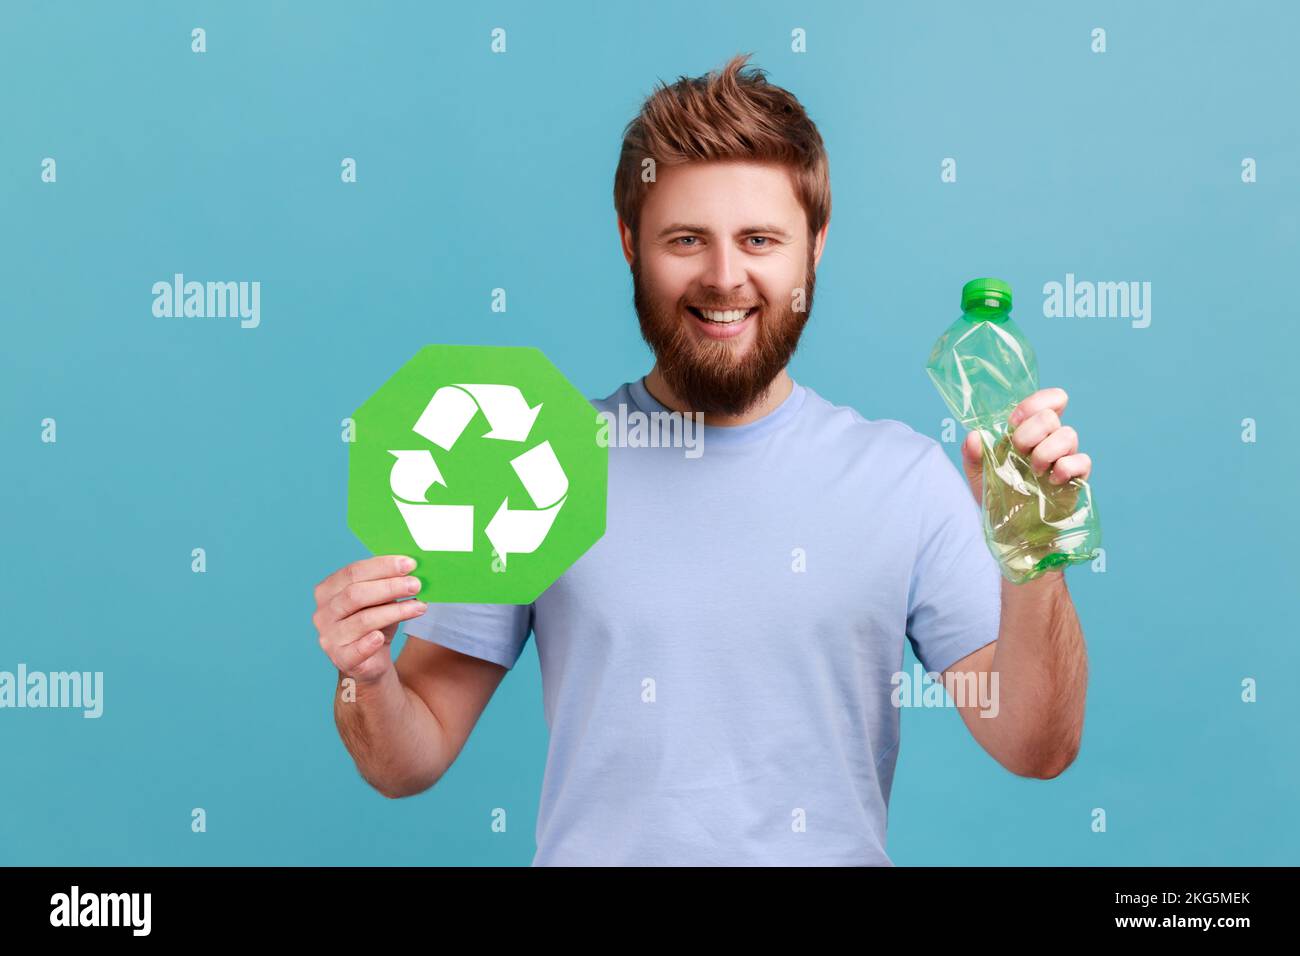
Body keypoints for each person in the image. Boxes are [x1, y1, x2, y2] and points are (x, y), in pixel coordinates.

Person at [312, 53, 1093, 866]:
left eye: (760, 239)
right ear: (629, 244)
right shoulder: (533, 456)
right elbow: (410, 757)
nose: (725, 278)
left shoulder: (902, 481)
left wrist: (1033, 552)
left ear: (815, 247)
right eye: (687, 239)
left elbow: (1035, 746)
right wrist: (362, 678)